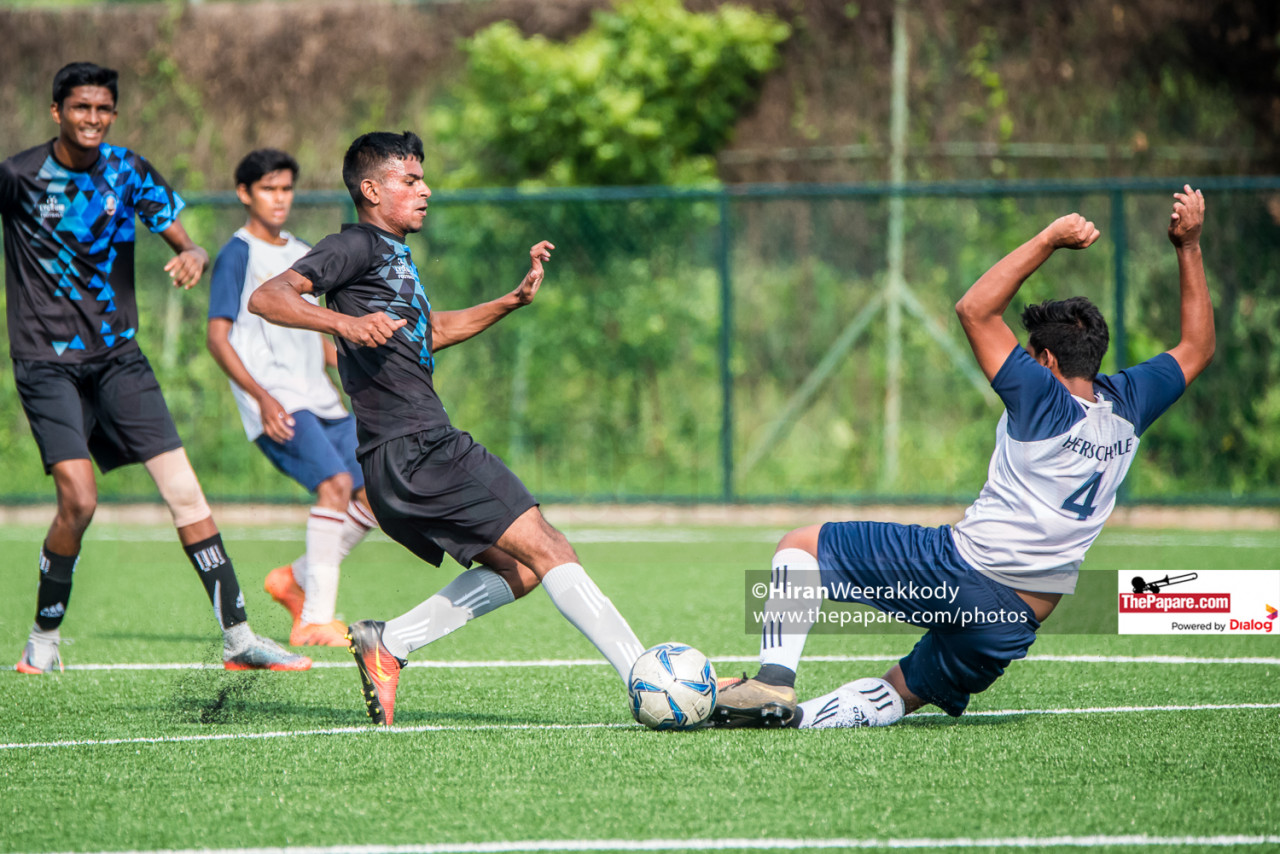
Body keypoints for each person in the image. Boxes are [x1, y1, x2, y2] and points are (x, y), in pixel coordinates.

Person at [714, 186, 1213, 729]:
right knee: (902, 689)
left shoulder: (1042, 395)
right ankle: (789, 719)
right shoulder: (1127, 404)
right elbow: (1197, 347)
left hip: (961, 573)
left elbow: (974, 308)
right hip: (1016, 622)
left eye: (1027, 354)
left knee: (800, 548)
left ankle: (773, 684)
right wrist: (1188, 246)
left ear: (1044, 359)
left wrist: (1049, 237)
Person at [248, 131, 645, 725]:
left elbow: (428, 333)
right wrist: (345, 326)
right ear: (371, 189)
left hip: (398, 453)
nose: (425, 190)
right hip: (417, 445)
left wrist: (509, 301)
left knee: (520, 570)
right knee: (552, 548)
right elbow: (268, 297)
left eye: (422, 178)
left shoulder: (394, 257)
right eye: (410, 181)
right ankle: (648, 678)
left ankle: (391, 643)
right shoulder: (353, 246)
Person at [1, 62, 311, 674]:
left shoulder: (128, 169)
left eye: (103, 109)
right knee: (79, 501)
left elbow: (183, 239)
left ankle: (239, 637)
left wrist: (193, 251)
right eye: (81, 108)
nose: (92, 119)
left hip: (120, 360)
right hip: (46, 363)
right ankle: (44, 637)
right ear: (57, 112)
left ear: (112, 114)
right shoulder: (19, 177)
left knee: (185, 491)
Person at [207, 148, 379, 648]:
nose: (279, 199)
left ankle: (294, 579)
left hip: (319, 397)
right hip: (277, 401)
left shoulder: (302, 250)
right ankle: (314, 619)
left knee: (377, 493)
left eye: (285, 189)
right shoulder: (237, 254)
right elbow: (218, 338)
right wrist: (261, 398)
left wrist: (351, 365)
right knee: (335, 485)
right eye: (268, 189)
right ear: (245, 194)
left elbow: (312, 331)